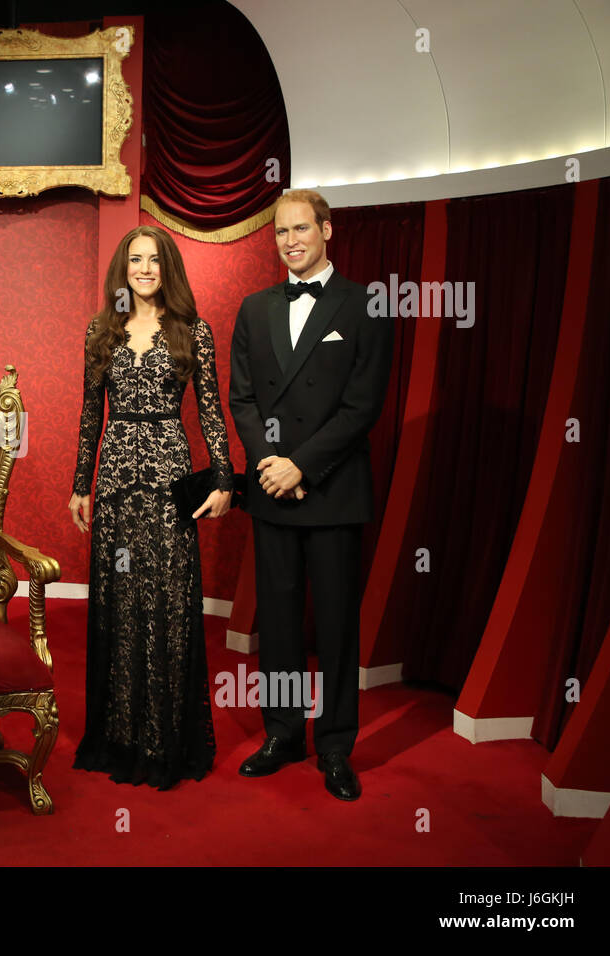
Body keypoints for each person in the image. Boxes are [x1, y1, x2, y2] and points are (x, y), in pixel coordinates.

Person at [227, 189, 393, 801]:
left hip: (332, 490)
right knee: (277, 622)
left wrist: (301, 466)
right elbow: (241, 397)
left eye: (301, 229)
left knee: (336, 626)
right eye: (280, 233)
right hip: (272, 487)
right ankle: (283, 734)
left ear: (327, 230)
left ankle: (335, 747)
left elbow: (362, 406)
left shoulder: (364, 305)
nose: (290, 241)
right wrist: (269, 465)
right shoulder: (254, 307)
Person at [69, 224, 234, 789]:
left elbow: (211, 408)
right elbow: (92, 415)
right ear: (123, 268)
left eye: (155, 260)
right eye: (135, 260)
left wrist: (225, 476)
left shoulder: (194, 330)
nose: (144, 269)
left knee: (167, 602)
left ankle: (165, 740)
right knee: (121, 602)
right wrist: (80, 486)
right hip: (115, 482)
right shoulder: (101, 331)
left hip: (168, 476)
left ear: (169, 269)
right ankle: (118, 735)